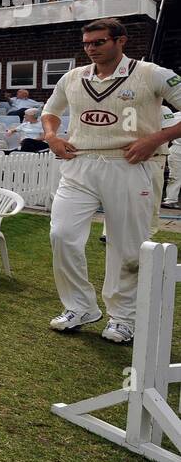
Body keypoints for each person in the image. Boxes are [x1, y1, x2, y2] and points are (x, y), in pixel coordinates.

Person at [43, 17, 181, 343]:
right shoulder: (73, 77)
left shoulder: (152, 73)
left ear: (121, 40)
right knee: (62, 234)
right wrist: (52, 136)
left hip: (132, 162)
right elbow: (51, 110)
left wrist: (155, 139)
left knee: (128, 246)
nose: (91, 49)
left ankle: (122, 318)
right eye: (87, 43)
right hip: (80, 163)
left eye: (99, 42)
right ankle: (79, 306)